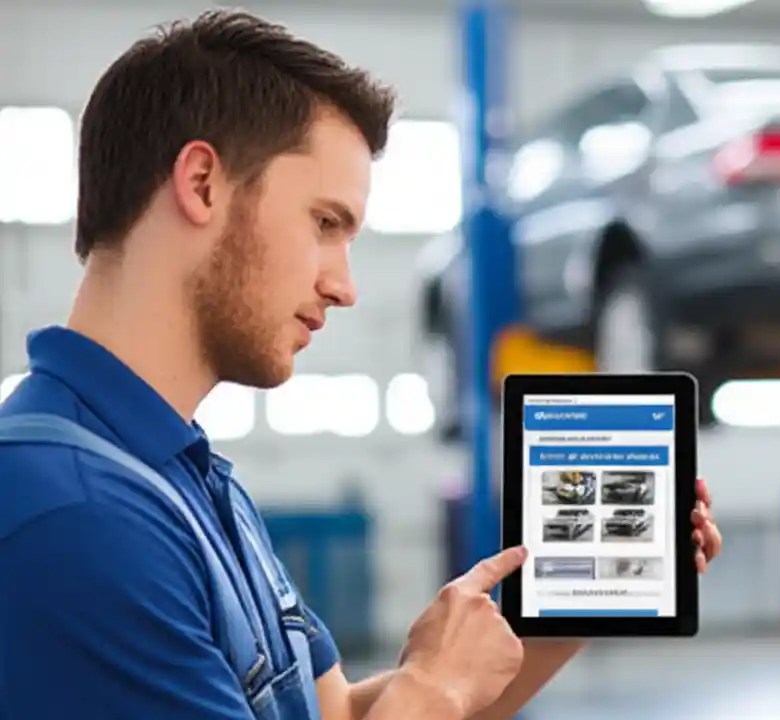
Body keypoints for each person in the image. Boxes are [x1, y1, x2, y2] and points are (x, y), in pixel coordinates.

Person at [0, 11, 723, 720]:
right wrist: (432, 687)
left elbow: (335, 713)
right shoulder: (76, 515)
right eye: (323, 223)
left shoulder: (184, 482)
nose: (345, 285)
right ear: (201, 183)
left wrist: (572, 605)